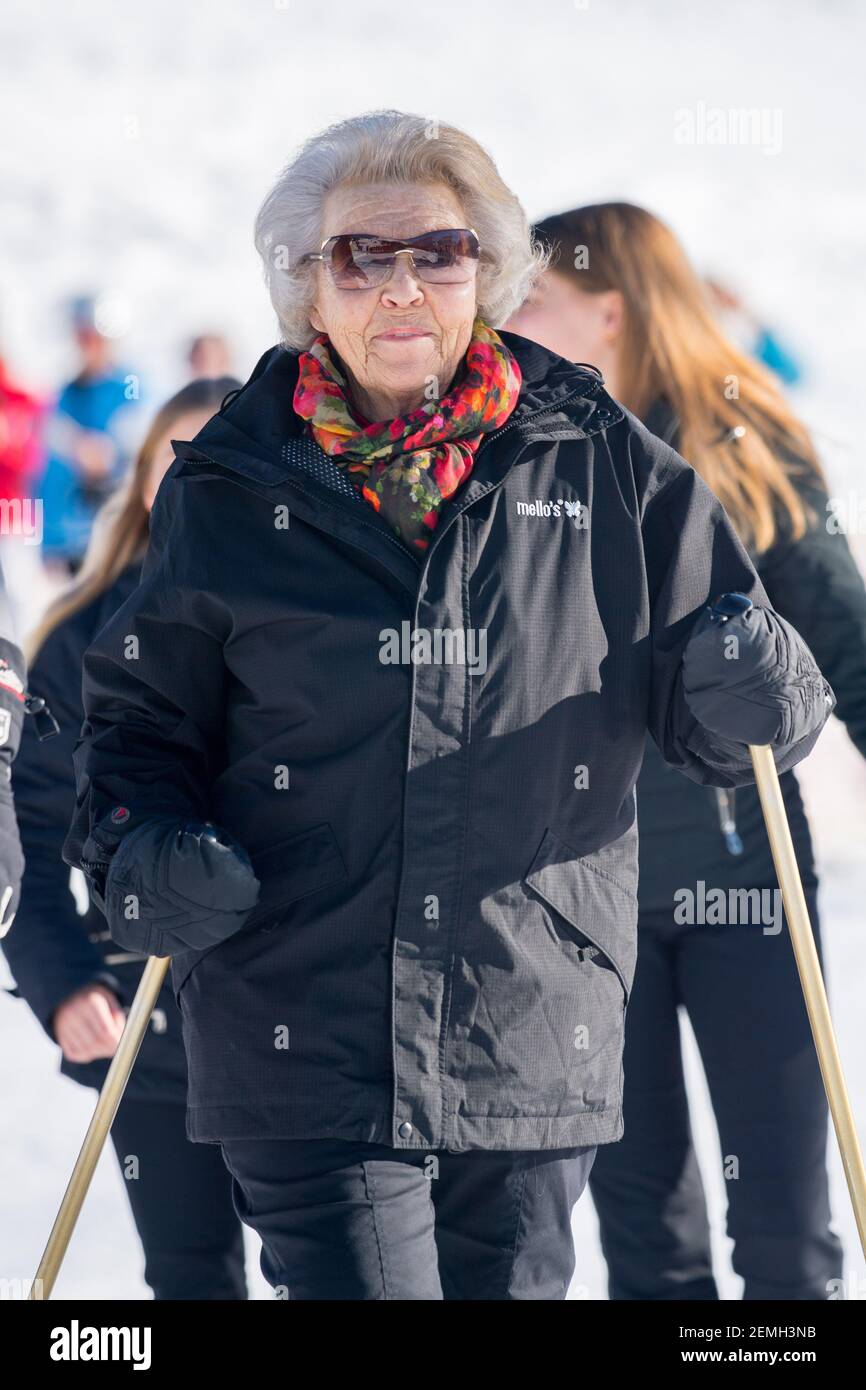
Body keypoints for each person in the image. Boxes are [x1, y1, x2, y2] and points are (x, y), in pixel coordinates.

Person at [62, 111, 833, 1302]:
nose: (402, 285)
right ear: (309, 290)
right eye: (359, 257)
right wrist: (148, 851)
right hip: (300, 1026)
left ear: (490, 274)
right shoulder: (228, 484)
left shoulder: (598, 456)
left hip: (526, 1019)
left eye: (439, 251)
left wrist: (754, 677)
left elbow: (735, 722)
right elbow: (133, 728)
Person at [506, 200, 866, 1300]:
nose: (506, 316)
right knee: (642, 1221)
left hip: (741, 876)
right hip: (583, 894)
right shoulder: (525, 452)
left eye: (532, 296)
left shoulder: (738, 445)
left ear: (605, 312)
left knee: (779, 1216)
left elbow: (843, 635)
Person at [2, 379, 249, 1300]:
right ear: (144, 476)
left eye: (222, 462)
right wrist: (62, 982)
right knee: (191, 1274)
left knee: (336, 1265)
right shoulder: (77, 642)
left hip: (311, 1014)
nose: (193, 483)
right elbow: (20, 829)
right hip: (147, 1016)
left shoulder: (326, 618)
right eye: (174, 462)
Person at [37, 295, 144, 577]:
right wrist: (50, 544)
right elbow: (49, 474)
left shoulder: (133, 390)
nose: (90, 347)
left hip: (126, 540)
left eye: (97, 338)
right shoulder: (63, 398)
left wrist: (109, 456)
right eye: (84, 337)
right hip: (74, 544)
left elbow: (146, 453)